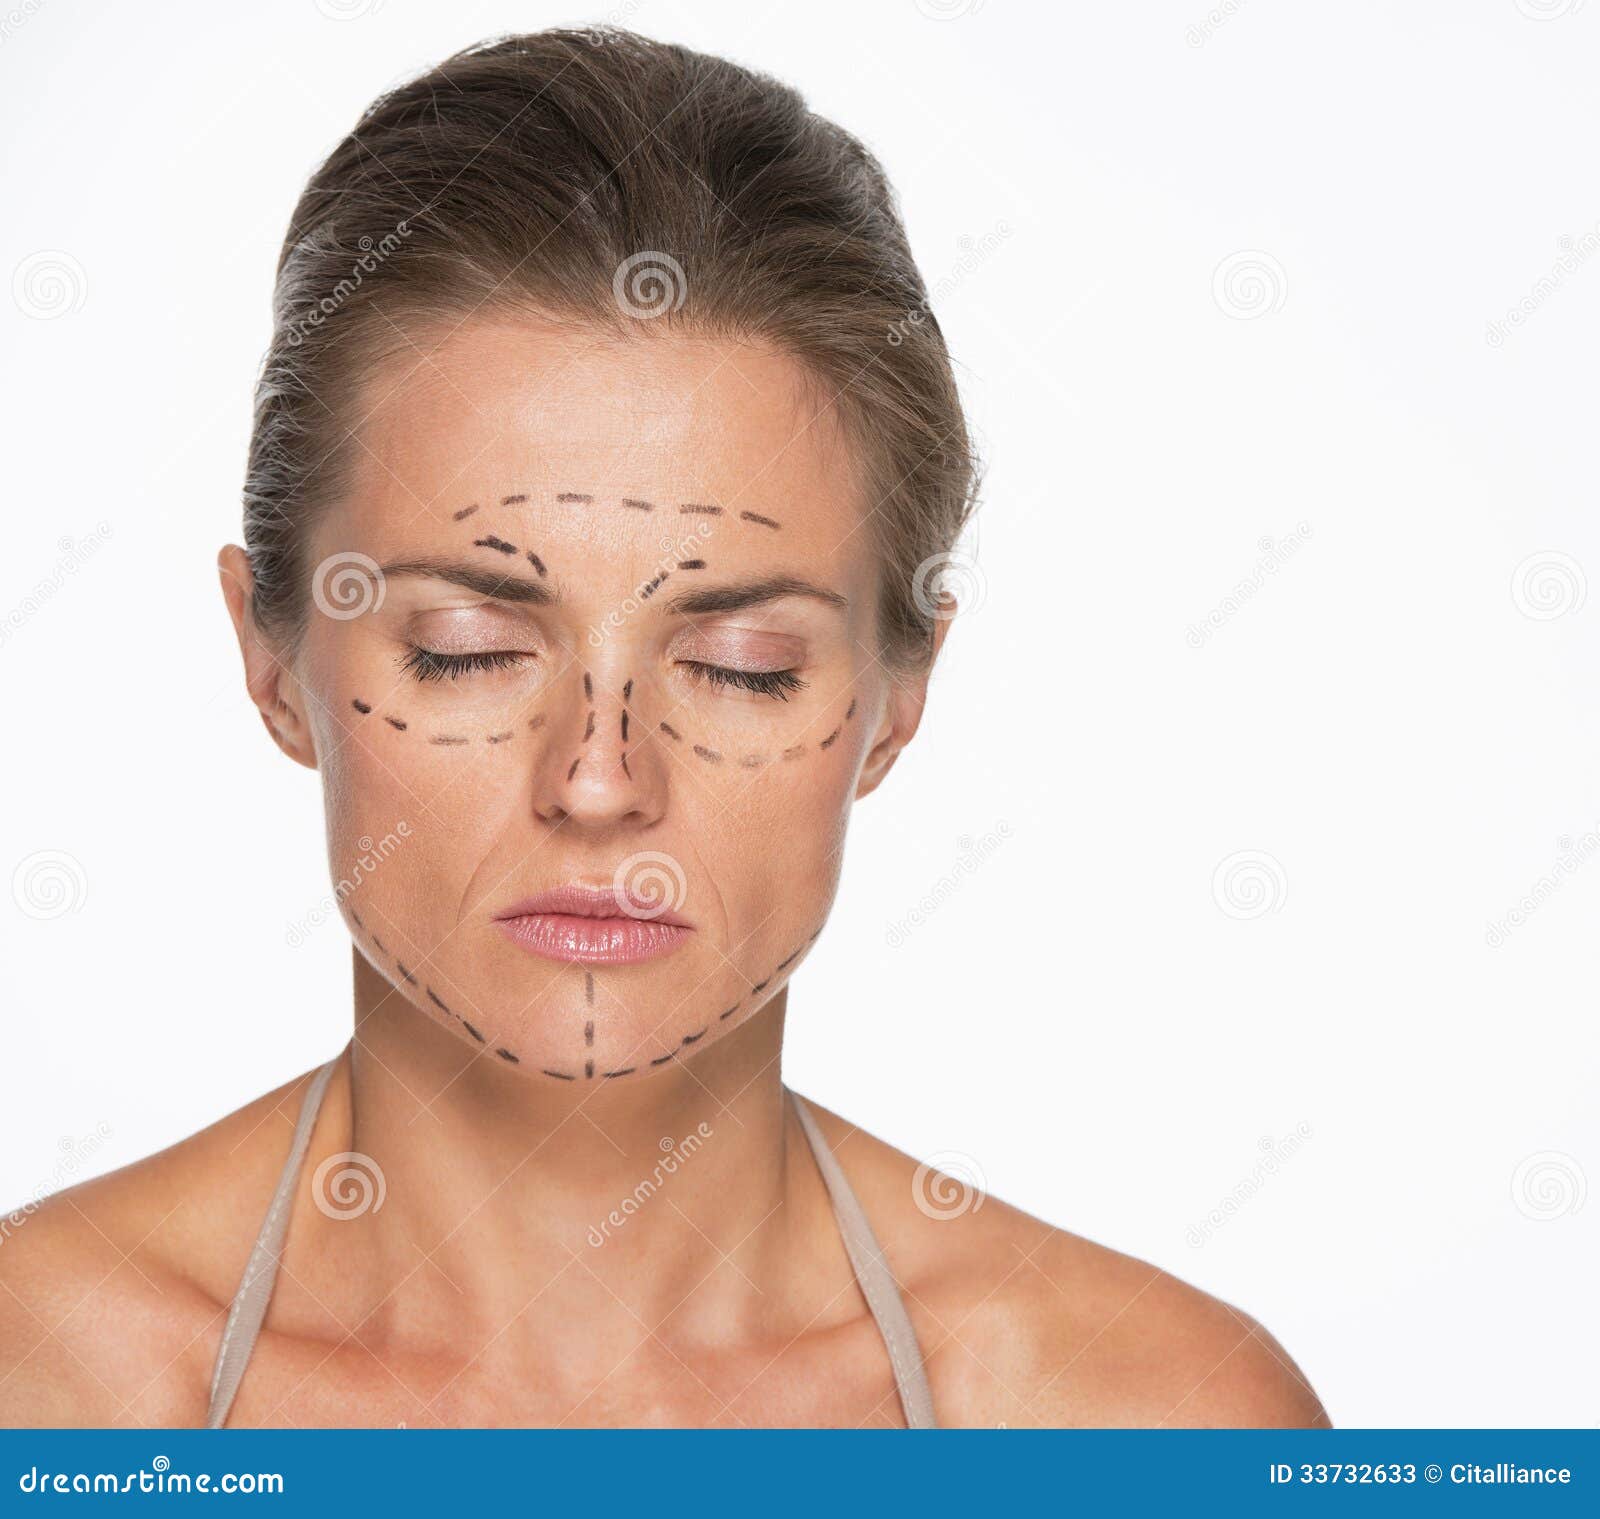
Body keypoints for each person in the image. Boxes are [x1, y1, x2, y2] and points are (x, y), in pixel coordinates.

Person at [0, 29, 1328, 1429]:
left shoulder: (1149, 1420)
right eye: (471, 651)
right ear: (273, 657)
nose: (597, 780)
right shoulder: (41, 1387)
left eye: (744, 669)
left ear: (896, 695)